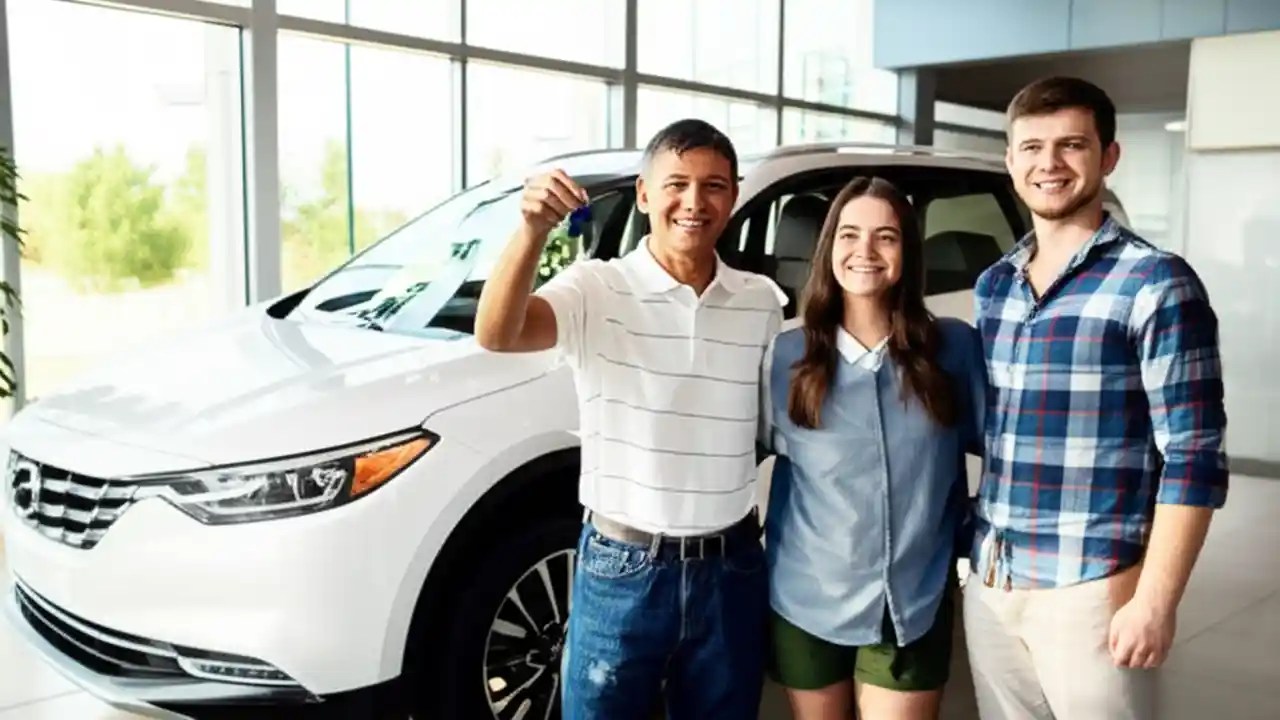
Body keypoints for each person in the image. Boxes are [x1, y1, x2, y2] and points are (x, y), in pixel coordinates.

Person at [474, 118, 784, 719]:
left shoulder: (760, 301)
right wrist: (532, 230)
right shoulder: (596, 288)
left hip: (731, 568)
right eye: (677, 184)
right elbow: (497, 333)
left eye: (714, 186)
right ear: (644, 194)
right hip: (622, 569)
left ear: (734, 197)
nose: (694, 202)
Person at [964, 75, 1229, 720]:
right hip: (994, 581)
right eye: (1032, 147)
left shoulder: (1156, 282)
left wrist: (1156, 600)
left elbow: (1194, 455)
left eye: (1072, 145)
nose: (1049, 163)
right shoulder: (995, 286)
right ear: (1010, 161)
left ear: (1108, 156)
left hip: (1092, 587)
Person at [758, 176, 986, 720]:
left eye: (886, 237)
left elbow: (1007, 455)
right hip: (806, 600)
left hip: (912, 604)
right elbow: (730, 459)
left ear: (908, 252)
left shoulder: (953, 348)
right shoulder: (785, 357)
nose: (865, 251)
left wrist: (974, 532)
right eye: (849, 235)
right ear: (828, 248)